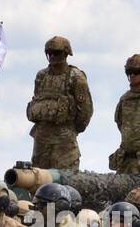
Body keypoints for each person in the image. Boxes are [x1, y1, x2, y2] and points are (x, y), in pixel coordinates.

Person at [27, 36, 93, 170]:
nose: (52, 56)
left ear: (65, 54)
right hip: (41, 141)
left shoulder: (76, 77)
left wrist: (71, 129)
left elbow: (85, 111)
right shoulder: (42, 76)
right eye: (49, 53)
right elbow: (37, 99)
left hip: (65, 143)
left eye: (56, 53)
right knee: (39, 184)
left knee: (65, 183)